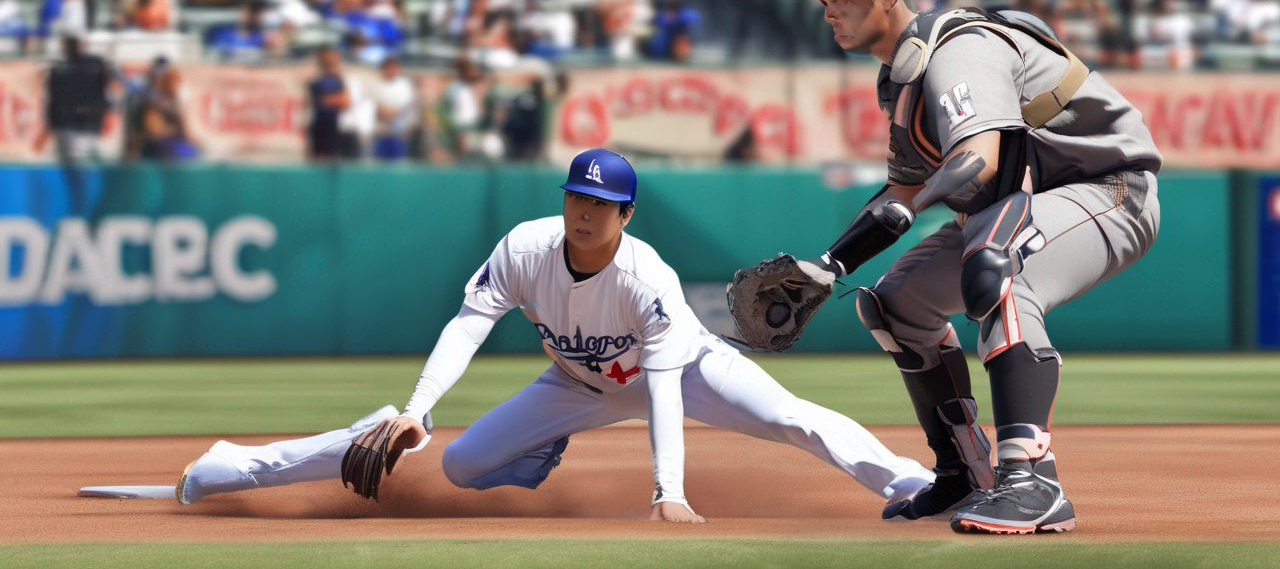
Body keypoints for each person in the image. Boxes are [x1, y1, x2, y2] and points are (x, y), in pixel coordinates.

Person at [174, 148, 936, 520]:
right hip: (575, 385)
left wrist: (668, 492)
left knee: (793, 419)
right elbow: (468, 321)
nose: (584, 211)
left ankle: (914, 485)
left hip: (683, 369)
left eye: (601, 203)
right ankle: (236, 466)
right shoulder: (526, 249)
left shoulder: (647, 278)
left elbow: (665, 392)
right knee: (466, 466)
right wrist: (420, 406)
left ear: (626, 215)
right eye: (577, 195)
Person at [746, 0, 1162, 534]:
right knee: (893, 304)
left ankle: (1031, 479)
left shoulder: (955, 49)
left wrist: (912, 210)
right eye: (825, 4)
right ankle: (967, 472)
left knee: (998, 262)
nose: (830, 15)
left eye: (844, 2)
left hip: (1110, 192)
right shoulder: (903, 78)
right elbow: (904, 189)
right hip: (1019, 204)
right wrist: (830, 264)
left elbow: (978, 157)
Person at [35, 34, 122, 163]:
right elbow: (54, 101)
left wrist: (109, 111)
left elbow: (113, 88)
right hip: (71, 127)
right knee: (79, 169)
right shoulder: (59, 67)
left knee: (83, 169)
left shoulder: (94, 63)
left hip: (85, 126)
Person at [306, 46, 357, 159]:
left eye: (330, 57)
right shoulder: (316, 79)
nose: (328, 60)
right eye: (325, 58)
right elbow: (315, 100)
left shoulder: (341, 78)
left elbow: (345, 102)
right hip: (320, 127)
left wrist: (329, 99)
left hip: (338, 129)